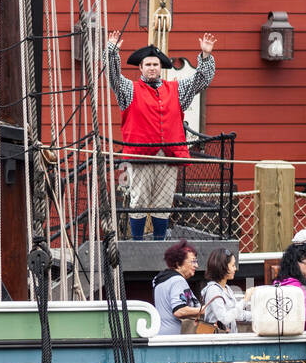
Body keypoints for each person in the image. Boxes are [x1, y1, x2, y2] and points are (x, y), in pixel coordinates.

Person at [106, 33, 217, 241]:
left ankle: (159, 243)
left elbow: (200, 80)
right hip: (141, 157)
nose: (152, 68)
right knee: (138, 201)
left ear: (160, 67)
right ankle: (137, 244)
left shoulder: (176, 89)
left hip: (168, 156)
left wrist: (205, 54)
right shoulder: (129, 90)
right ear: (140, 68)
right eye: (147, 64)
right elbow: (113, 76)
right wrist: (112, 51)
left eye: (155, 64)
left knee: (164, 202)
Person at [151, 240, 202, 335]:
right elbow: (179, 310)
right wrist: (204, 310)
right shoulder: (178, 281)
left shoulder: (160, 280)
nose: (197, 265)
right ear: (178, 264)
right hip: (176, 338)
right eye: (193, 261)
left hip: (161, 333)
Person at [200, 248, 252, 333]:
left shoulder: (227, 288)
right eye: (232, 265)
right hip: (217, 342)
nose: (235, 268)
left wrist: (260, 315)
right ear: (222, 267)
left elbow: (238, 314)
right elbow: (224, 318)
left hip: (230, 340)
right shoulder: (213, 290)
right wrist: (245, 300)